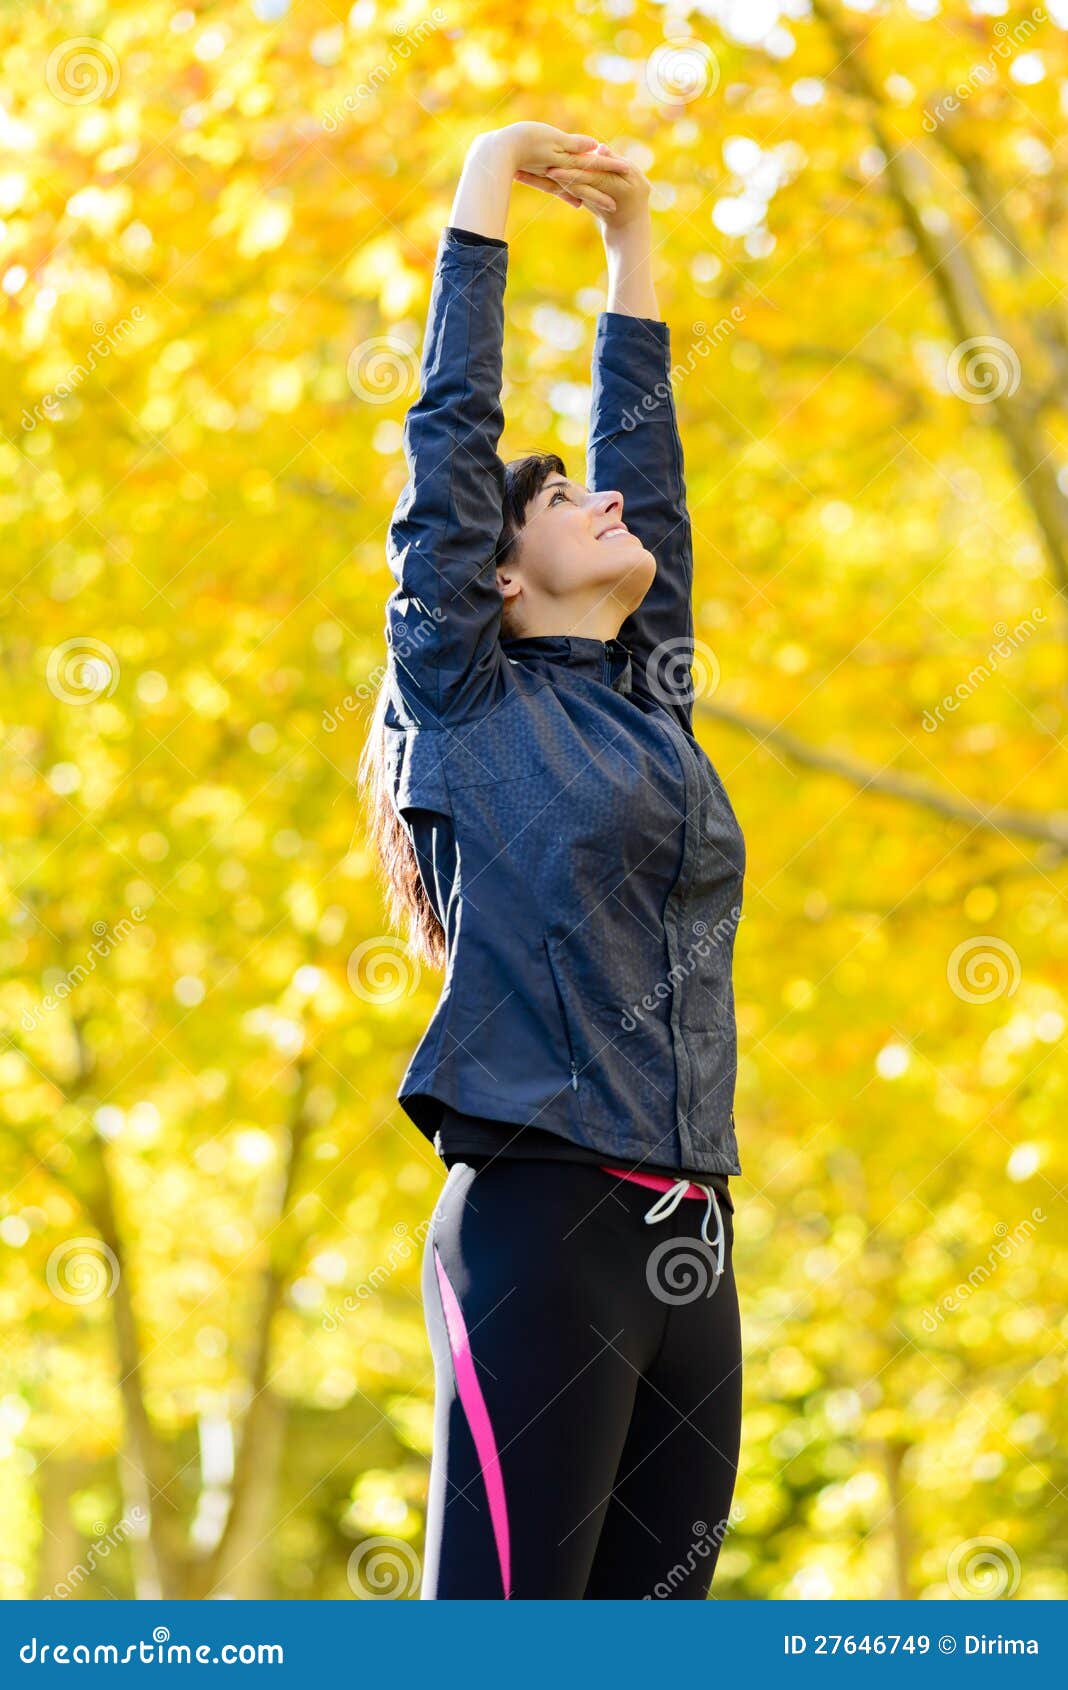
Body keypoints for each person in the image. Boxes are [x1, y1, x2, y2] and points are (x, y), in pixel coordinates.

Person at [360, 122, 746, 1599]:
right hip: (542, 1216)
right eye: (561, 501)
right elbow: (449, 439)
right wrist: (484, 175)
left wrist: (634, 240)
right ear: (499, 577)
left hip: (693, 1227)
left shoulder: (651, 698)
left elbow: (650, 460)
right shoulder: (466, 692)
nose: (608, 498)